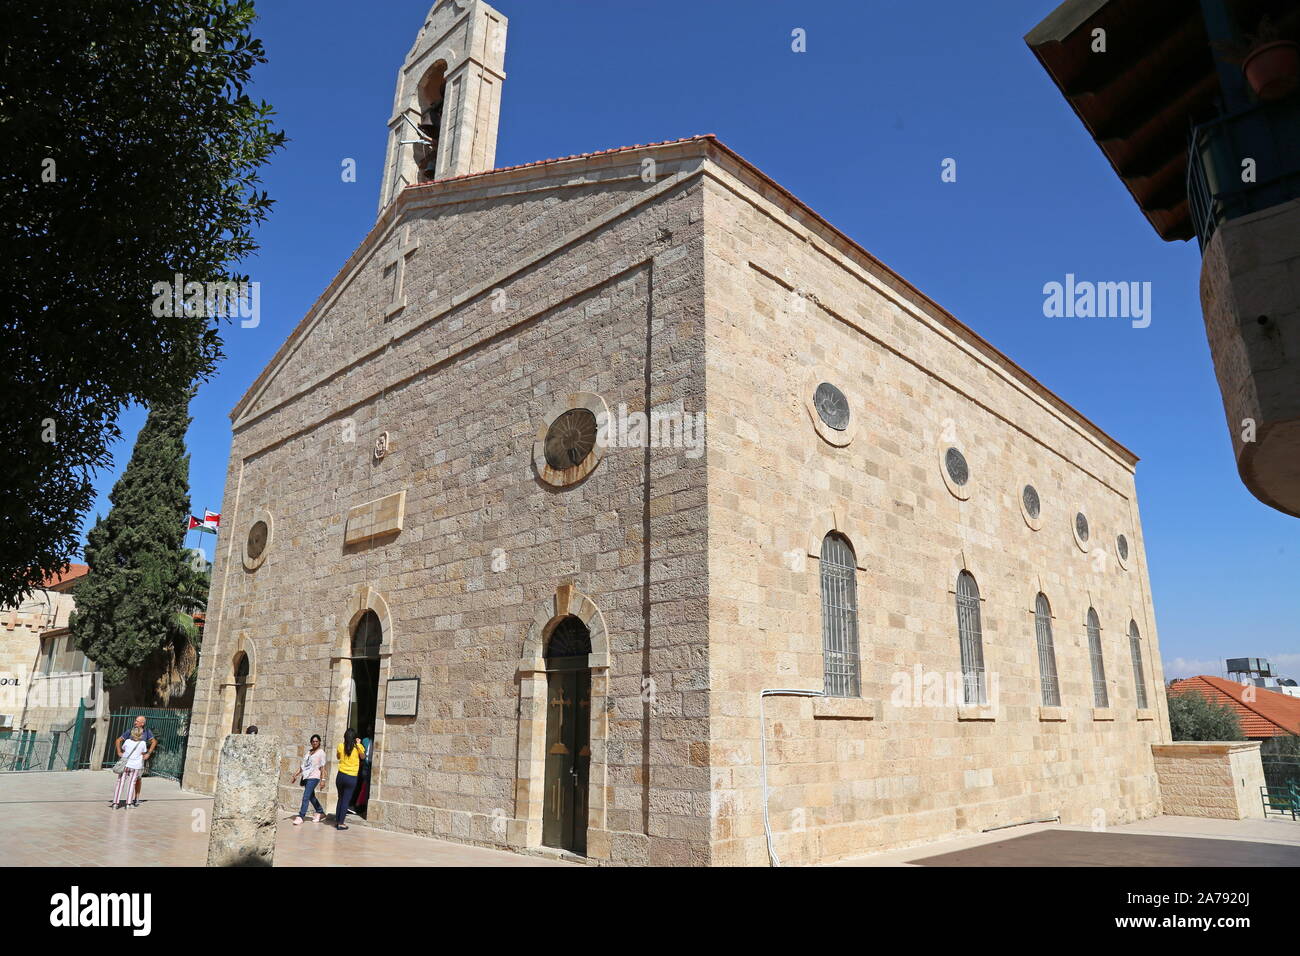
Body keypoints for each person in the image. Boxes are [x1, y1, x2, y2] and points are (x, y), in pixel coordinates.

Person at [113, 715, 156, 807]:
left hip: (138, 761)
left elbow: (154, 742)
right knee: (127, 780)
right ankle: (128, 801)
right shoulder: (130, 731)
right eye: (135, 721)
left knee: (138, 779)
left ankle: (136, 798)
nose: (135, 722)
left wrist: (148, 753)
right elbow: (118, 740)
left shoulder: (147, 732)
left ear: (142, 723)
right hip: (128, 761)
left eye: (137, 721)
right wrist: (119, 751)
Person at [291, 734, 327, 825]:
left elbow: (323, 767)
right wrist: (295, 774)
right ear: (311, 742)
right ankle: (320, 812)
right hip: (306, 777)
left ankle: (301, 816)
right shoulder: (308, 752)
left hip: (314, 777)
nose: (315, 743)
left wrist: (323, 780)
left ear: (319, 742)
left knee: (306, 796)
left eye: (316, 741)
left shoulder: (321, 752)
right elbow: (303, 766)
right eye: (313, 741)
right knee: (311, 796)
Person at [333, 728, 364, 831]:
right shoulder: (357, 748)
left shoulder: (340, 746)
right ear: (355, 738)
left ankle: (337, 821)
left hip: (341, 775)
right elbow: (363, 757)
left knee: (340, 799)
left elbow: (338, 757)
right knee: (346, 800)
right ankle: (341, 823)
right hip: (351, 777)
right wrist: (359, 744)